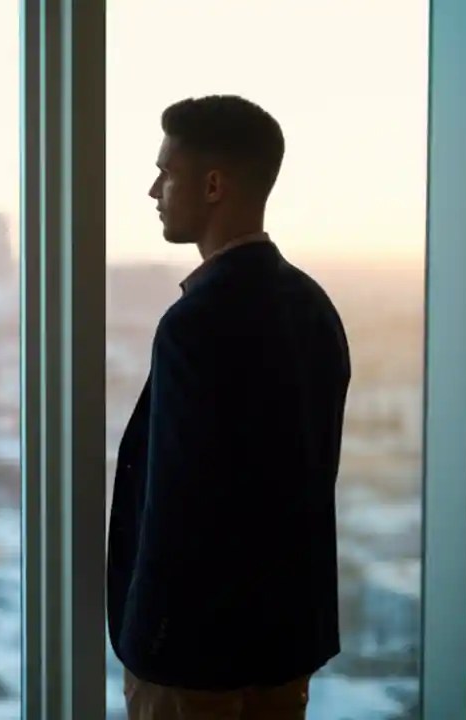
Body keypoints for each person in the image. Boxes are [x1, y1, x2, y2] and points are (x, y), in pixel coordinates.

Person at [106, 95, 352, 720]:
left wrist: (150, 644)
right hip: (282, 645)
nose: (153, 189)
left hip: (193, 662)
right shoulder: (315, 309)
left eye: (168, 171)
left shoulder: (195, 324)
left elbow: (178, 506)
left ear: (213, 185)